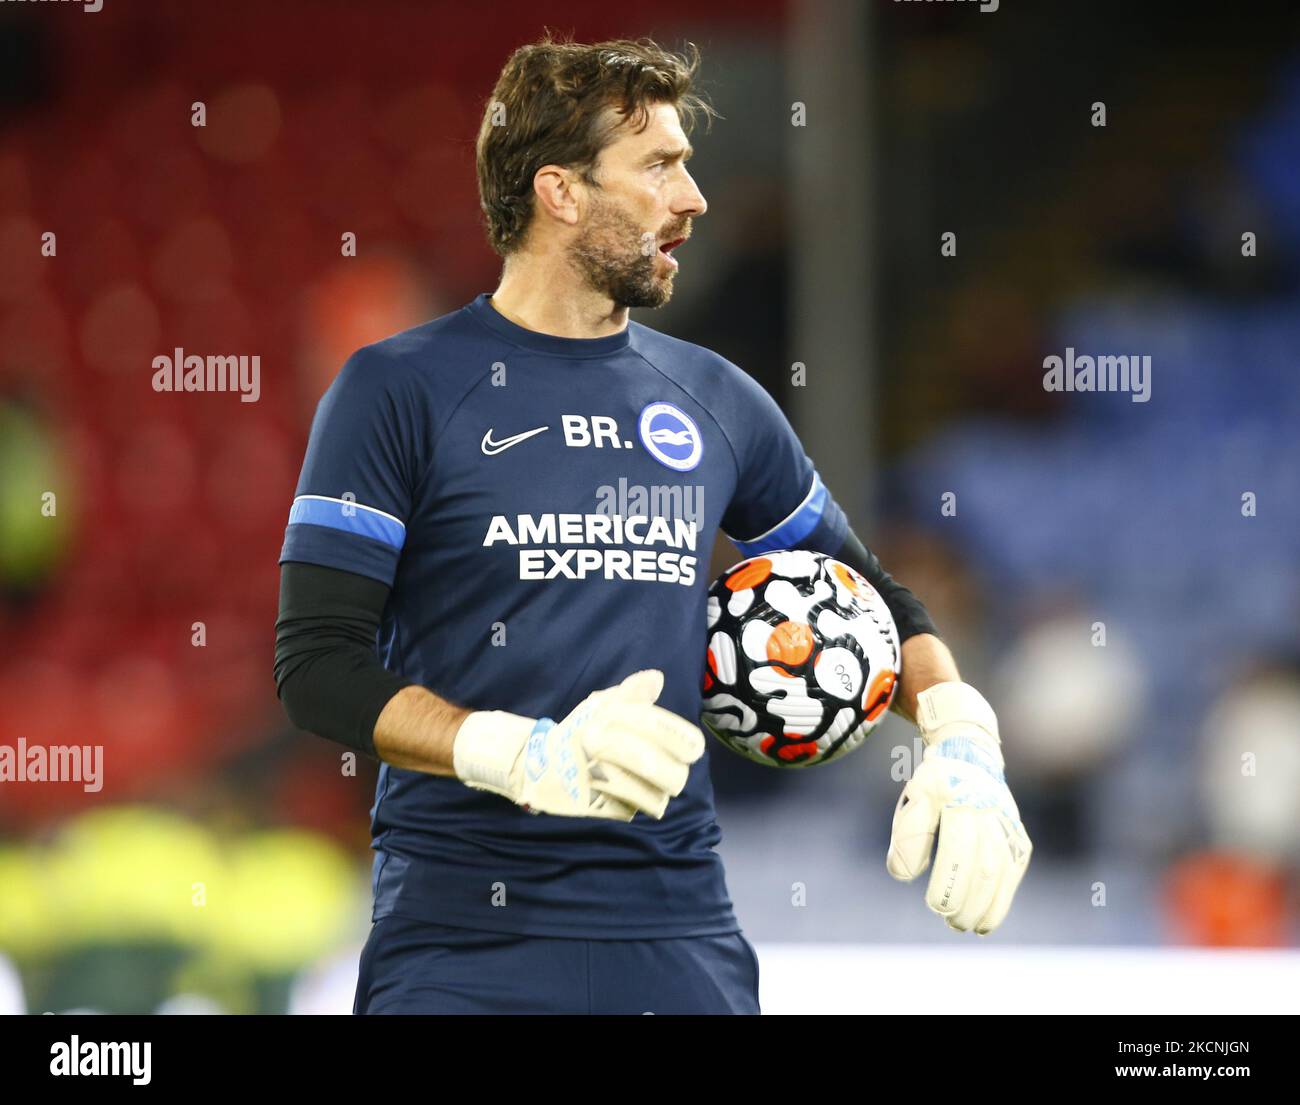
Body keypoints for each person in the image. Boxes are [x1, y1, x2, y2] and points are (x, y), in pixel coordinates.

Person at [273, 33, 1032, 1015]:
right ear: (560, 193)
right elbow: (317, 666)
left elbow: (869, 600)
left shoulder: (717, 398)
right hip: (461, 945)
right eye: (660, 167)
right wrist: (518, 752)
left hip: (679, 944)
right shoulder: (398, 390)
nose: (694, 199)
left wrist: (958, 728)